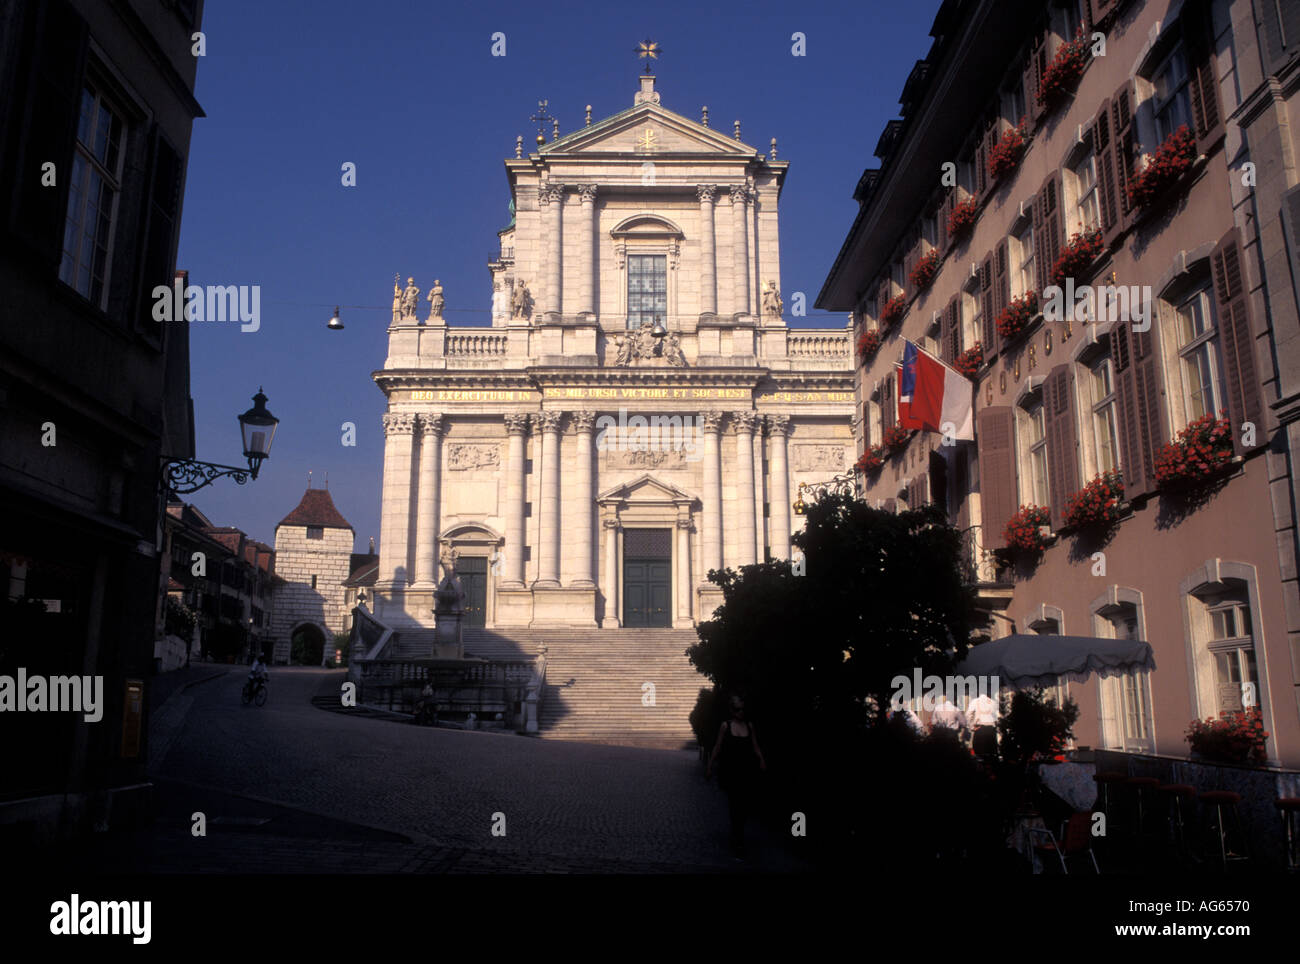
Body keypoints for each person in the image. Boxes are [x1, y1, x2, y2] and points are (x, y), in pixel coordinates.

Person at [707, 695, 766, 859]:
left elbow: (755, 746)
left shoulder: (750, 726)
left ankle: (738, 834)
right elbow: (718, 747)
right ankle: (737, 837)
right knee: (734, 806)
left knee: (744, 806)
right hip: (731, 773)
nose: (741, 712)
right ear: (732, 710)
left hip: (747, 773)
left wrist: (761, 760)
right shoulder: (726, 726)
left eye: (743, 709)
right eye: (738, 709)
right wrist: (710, 765)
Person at [966, 690, 1000, 761]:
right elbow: (998, 717)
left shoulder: (975, 701)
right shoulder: (993, 702)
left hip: (980, 729)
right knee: (991, 755)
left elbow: (968, 715)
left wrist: (971, 727)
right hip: (991, 731)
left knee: (979, 754)